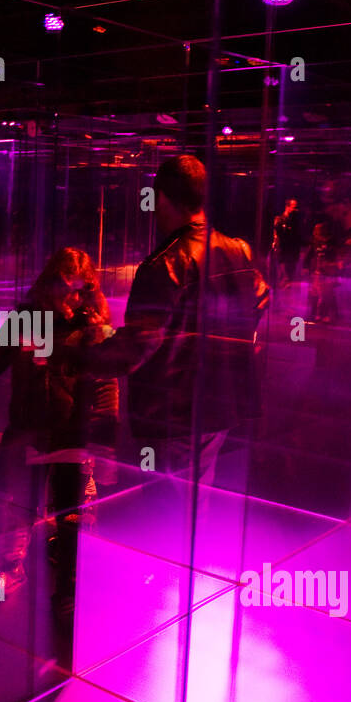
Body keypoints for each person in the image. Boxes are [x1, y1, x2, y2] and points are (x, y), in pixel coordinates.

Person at [0, 247, 119, 624]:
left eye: (81, 291)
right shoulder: (27, 320)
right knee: (20, 510)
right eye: (66, 289)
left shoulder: (93, 327)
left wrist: (105, 438)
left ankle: (68, 587)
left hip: (72, 437)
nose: (72, 298)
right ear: (49, 285)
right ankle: (13, 569)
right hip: (32, 435)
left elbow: (106, 383)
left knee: (72, 518)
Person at [74, 155, 268, 483]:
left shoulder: (165, 264)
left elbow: (139, 345)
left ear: (162, 198)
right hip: (222, 405)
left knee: (169, 504)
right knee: (198, 500)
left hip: (175, 414)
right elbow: (261, 298)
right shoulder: (240, 250)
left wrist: (79, 358)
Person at [307, 220, 340, 324]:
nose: (316, 232)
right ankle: (315, 314)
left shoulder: (330, 242)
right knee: (315, 293)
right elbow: (310, 255)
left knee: (326, 294)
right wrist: (306, 267)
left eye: (318, 230)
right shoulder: (314, 242)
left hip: (327, 272)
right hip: (317, 271)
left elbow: (333, 256)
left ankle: (326, 314)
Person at [271, 198, 301, 287]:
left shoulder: (296, 222)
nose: (295, 210)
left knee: (291, 269)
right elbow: (277, 233)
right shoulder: (279, 220)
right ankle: (284, 279)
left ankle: (288, 280)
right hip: (283, 249)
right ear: (287, 207)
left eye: (296, 208)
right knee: (283, 266)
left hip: (292, 250)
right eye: (293, 207)